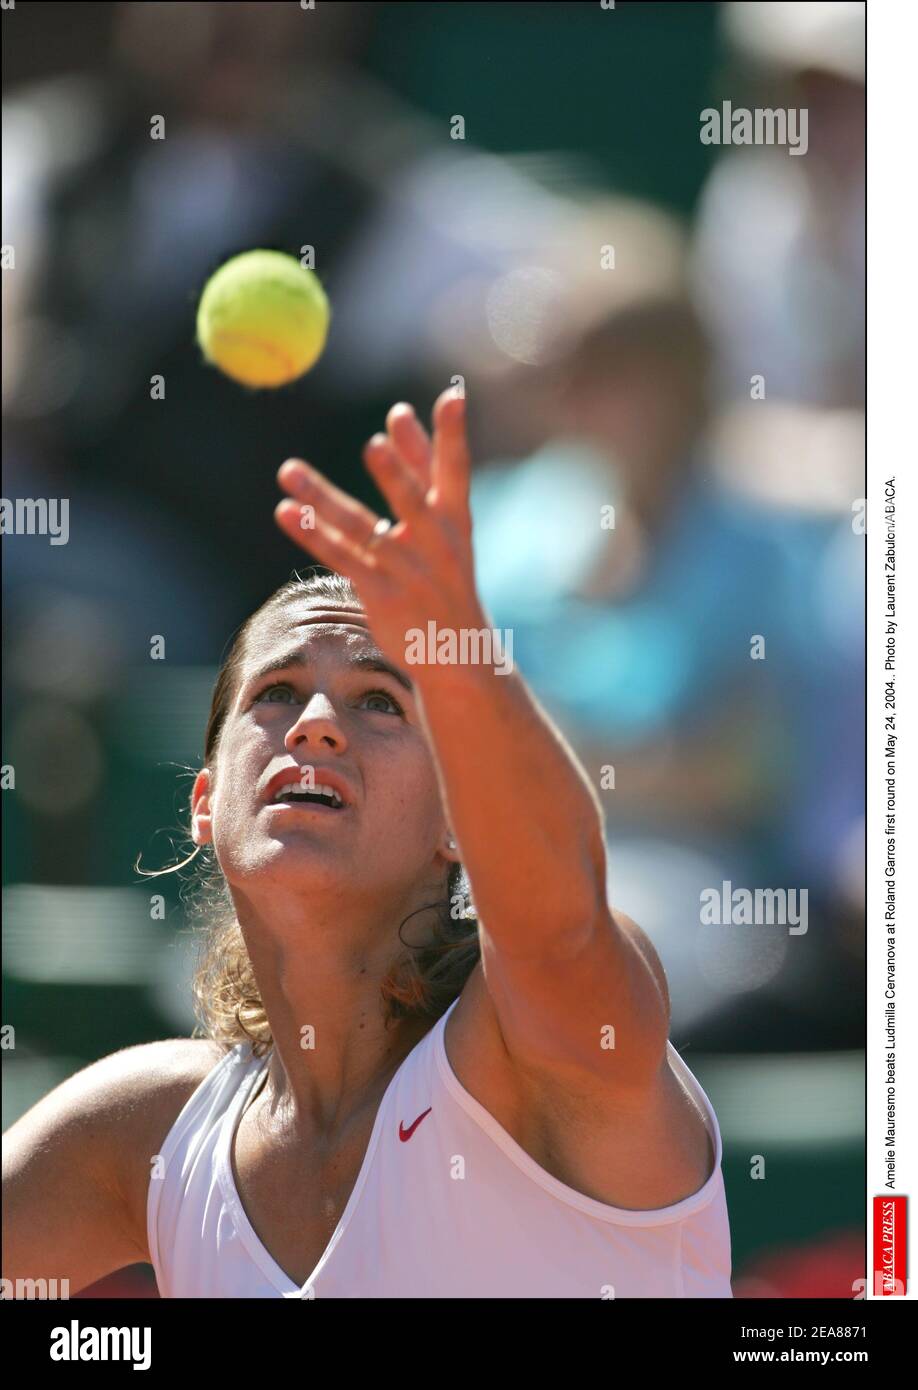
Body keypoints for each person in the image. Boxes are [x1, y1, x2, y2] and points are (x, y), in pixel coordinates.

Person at [2, 389, 732, 1298]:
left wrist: (459, 651)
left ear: (461, 820)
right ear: (203, 801)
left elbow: (560, 926)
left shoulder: (537, 1053)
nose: (315, 725)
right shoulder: (143, 1135)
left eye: (380, 700)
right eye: (274, 692)